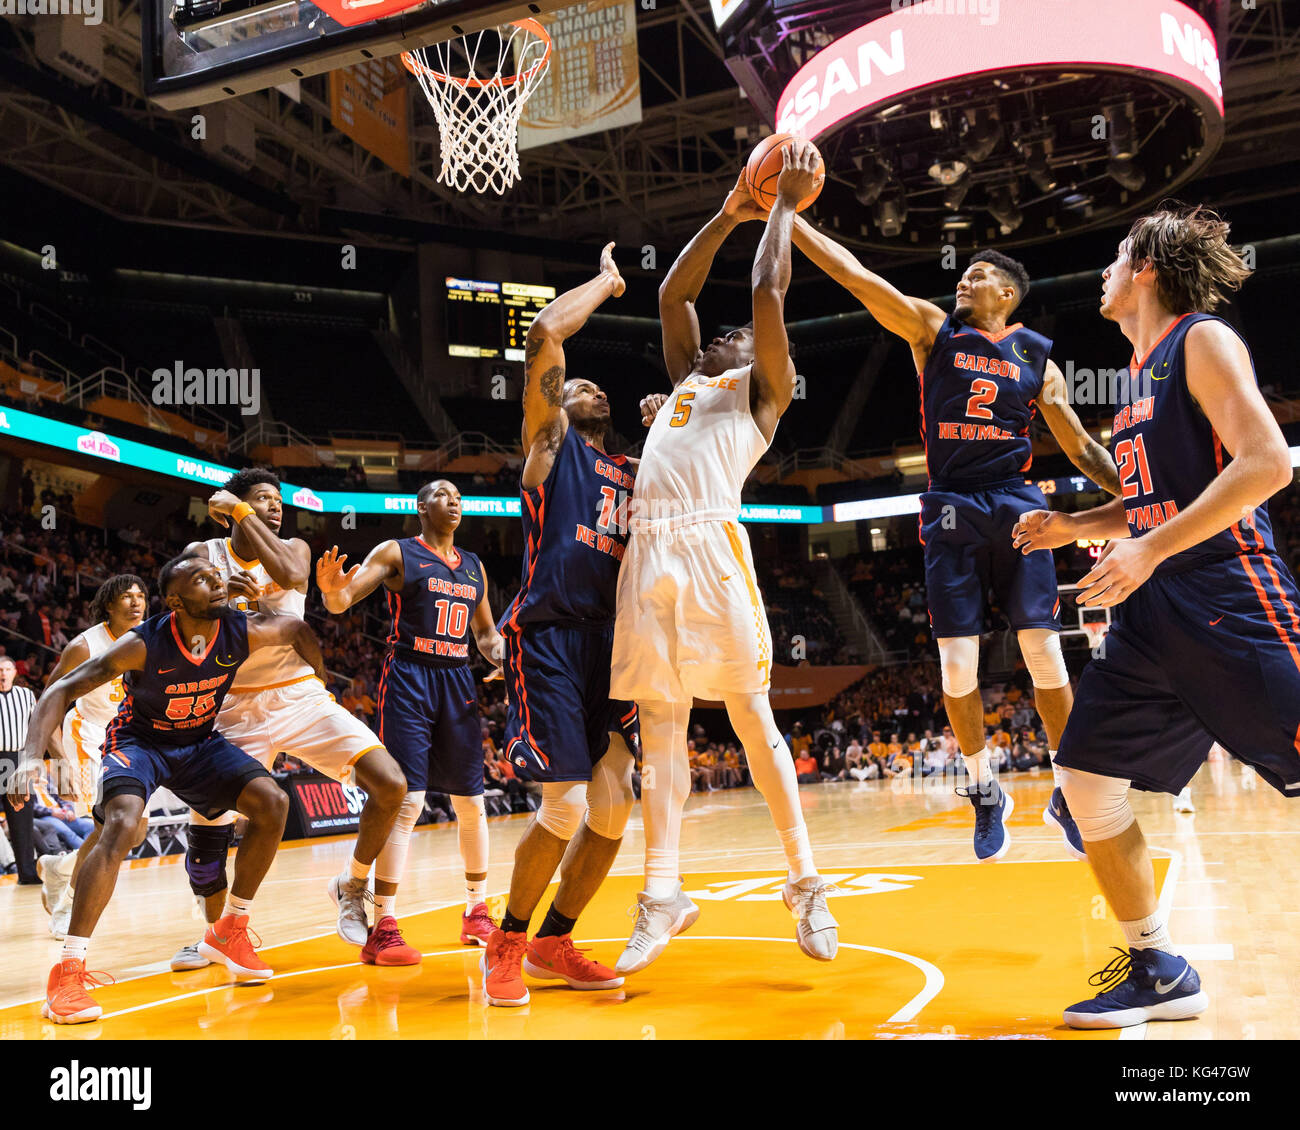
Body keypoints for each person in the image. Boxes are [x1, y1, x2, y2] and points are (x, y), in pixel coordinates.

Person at [1012, 204, 1298, 1028]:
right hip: (1155, 610)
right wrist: (1082, 526)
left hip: (1227, 593)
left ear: (1146, 269)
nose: (1102, 269)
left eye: (1114, 255)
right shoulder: (1138, 374)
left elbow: (1267, 463)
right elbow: (1150, 499)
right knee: (1084, 779)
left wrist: (1151, 548)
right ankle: (1158, 966)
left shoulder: (1201, 339)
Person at [792, 211, 1122, 865]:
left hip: (1018, 501)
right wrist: (791, 221)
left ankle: (1067, 790)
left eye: (979, 276)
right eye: (963, 274)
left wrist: (1139, 499)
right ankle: (983, 788)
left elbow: (1080, 444)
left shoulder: (1037, 358)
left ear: (1008, 294)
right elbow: (857, 277)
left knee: (1044, 653)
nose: (963, 282)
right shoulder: (930, 329)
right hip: (951, 507)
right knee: (957, 667)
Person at [612, 143, 838, 974]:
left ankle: (805, 881)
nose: (735, 337)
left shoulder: (762, 394)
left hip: (710, 545)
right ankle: (663, 892)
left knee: (751, 718)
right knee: (661, 731)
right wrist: (730, 210)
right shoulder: (682, 382)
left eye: (744, 339)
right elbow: (676, 292)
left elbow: (766, 290)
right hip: (649, 551)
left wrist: (784, 205)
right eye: (731, 337)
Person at [8, 553, 320, 1024]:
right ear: (175, 600)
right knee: (124, 823)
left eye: (216, 576)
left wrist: (317, 679)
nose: (216, 582)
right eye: (201, 579)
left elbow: (295, 630)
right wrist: (31, 758)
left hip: (198, 744)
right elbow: (58, 690)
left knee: (273, 802)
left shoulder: (243, 628)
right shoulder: (142, 643)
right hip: (139, 741)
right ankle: (68, 971)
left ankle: (229, 928)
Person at [477, 244, 641, 1008]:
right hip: (549, 635)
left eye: (593, 381)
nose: (587, 383)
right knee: (565, 802)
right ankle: (506, 941)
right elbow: (545, 332)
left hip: (613, 648)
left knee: (614, 806)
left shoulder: (637, 470)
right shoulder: (553, 447)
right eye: (574, 383)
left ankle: (553, 940)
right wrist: (607, 285)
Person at [169, 469, 408, 971]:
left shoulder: (294, 548)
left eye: (278, 501)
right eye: (262, 499)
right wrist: (220, 609)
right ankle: (218, 934)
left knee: (390, 784)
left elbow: (295, 578)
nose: (275, 507)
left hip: (298, 695)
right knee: (209, 845)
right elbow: (181, 619)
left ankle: (351, 884)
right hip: (229, 706)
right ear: (237, 504)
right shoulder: (202, 555)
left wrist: (242, 513)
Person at [317, 478, 504, 961]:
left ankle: (477, 911)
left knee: (472, 803)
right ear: (421, 508)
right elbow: (343, 600)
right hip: (410, 679)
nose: (455, 499)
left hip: (458, 680)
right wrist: (333, 594)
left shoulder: (475, 567)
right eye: (443, 494)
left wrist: (506, 655)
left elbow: (485, 636)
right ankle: (384, 923)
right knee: (409, 800)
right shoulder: (397, 551)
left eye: (458, 495)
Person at [35, 575, 148, 938]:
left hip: (131, 736)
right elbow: (49, 699)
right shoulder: (85, 646)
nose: (135, 602)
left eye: (141, 596)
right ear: (107, 606)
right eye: (125, 597)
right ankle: (67, 906)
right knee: (108, 828)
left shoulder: (152, 636)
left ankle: (59, 868)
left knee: (132, 832)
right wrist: (58, 760)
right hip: (90, 735)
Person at [0, 656, 39, 885]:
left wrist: (32, 761)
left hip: (18, 760)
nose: (2, 673)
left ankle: (27, 873)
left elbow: (36, 728)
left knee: (22, 819)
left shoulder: (26, 695)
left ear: (15, 672)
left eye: (6, 669)